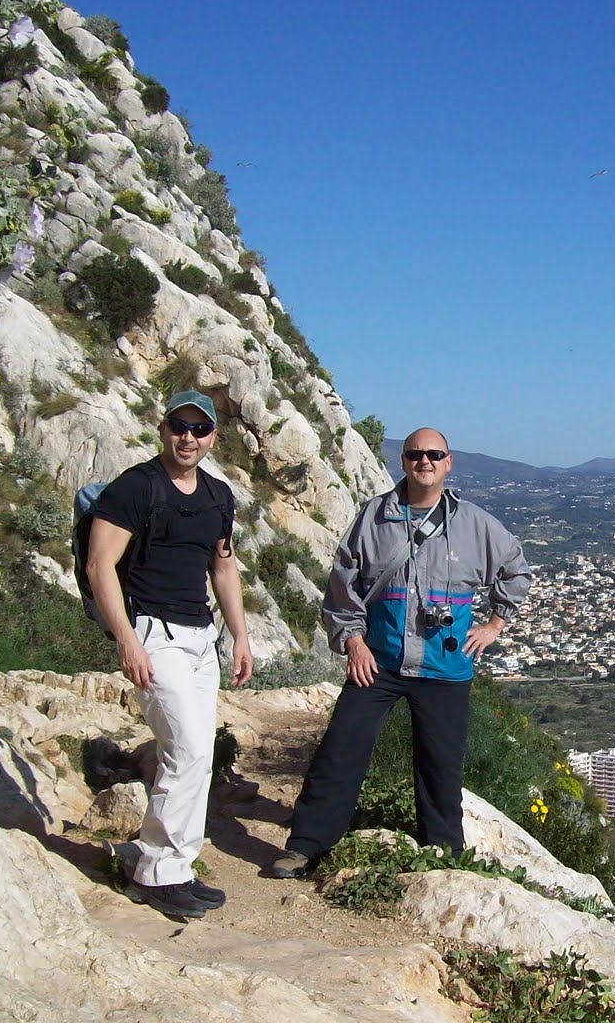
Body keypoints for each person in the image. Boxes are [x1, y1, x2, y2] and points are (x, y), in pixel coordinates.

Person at [269, 428, 530, 878]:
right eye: (415, 454)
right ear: (403, 461)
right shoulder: (375, 518)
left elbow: (515, 568)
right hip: (379, 661)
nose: (424, 461)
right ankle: (306, 846)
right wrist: (353, 642)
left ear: (448, 463)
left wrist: (494, 625)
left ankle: (443, 858)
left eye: (434, 455)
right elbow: (343, 583)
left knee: (441, 769)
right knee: (340, 752)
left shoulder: (474, 524)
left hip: (444, 667)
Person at [85, 390, 253, 919]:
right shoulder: (136, 487)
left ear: (212, 438)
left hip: (200, 638)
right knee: (188, 751)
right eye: (179, 426)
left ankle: (177, 866)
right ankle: (155, 874)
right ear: (163, 430)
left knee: (198, 755)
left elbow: (223, 568)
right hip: (153, 634)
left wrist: (239, 635)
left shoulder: (218, 496)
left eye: (199, 429)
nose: (188, 437)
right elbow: (99, 565)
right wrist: (126, 639)